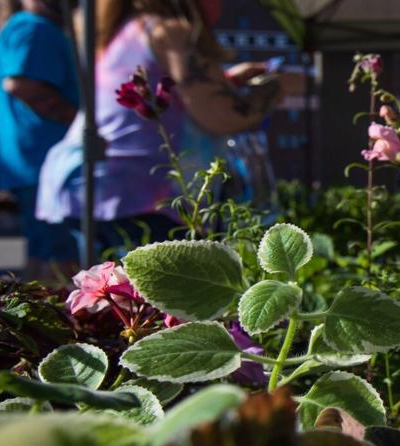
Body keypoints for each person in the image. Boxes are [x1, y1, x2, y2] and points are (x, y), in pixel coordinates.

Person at [35, 0, 304, 258]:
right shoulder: (171, 32)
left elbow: (171, 92)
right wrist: (279, 85)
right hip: (141, 196)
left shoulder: (126, 27)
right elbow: (225, 116)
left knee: (109, 287)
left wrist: (227, 82)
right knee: (160, 288)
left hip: (89, 184)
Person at [0, 0, 80, 280]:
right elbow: (21, 84)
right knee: (60, 258)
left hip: (37, 161)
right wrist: (77, 119)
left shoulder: (28, 25)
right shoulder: (34, 27)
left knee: (44, 254)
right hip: (48, 160)